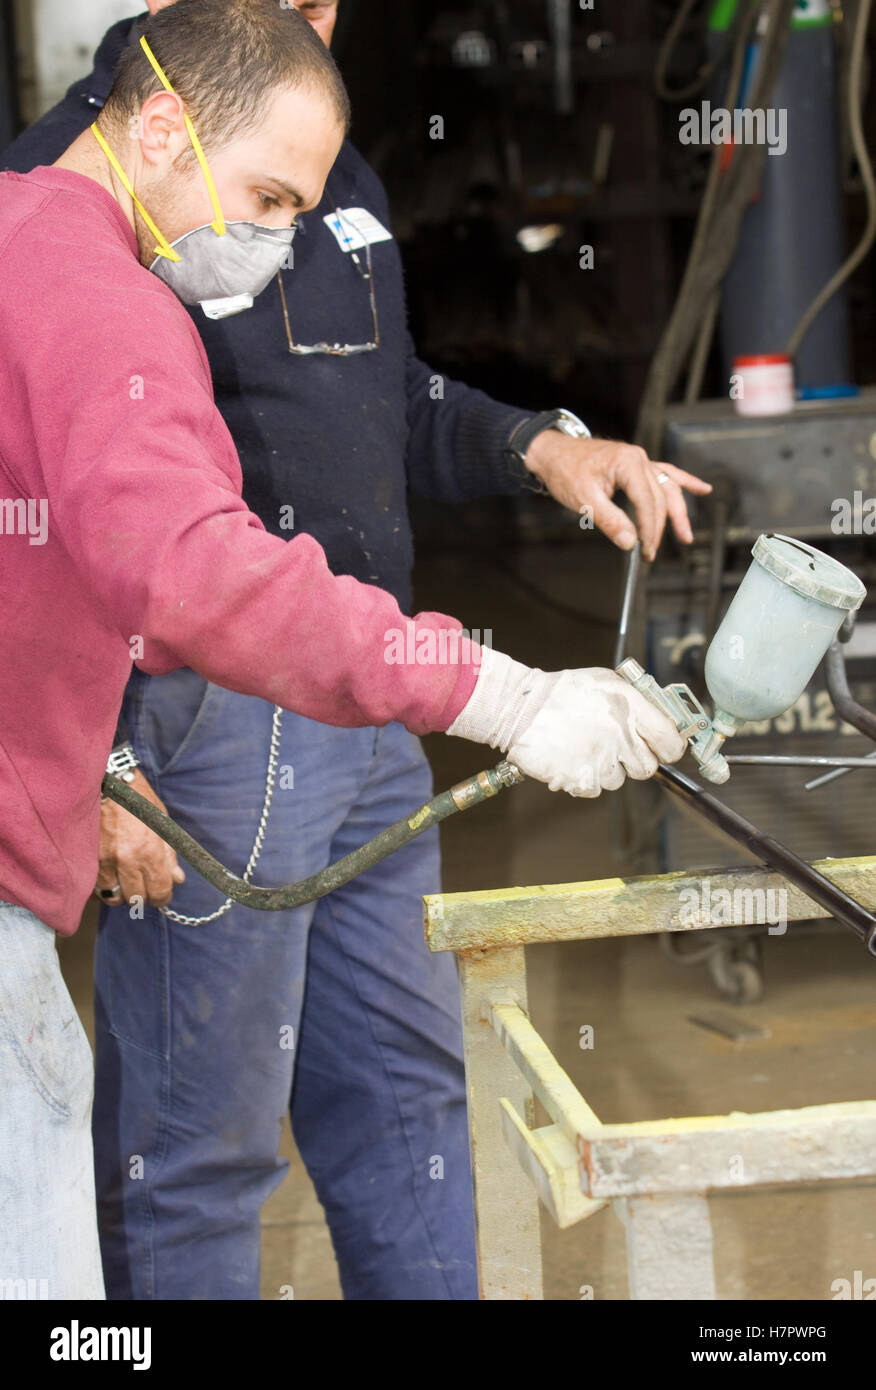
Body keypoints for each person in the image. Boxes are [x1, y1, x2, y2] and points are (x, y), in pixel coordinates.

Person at [0, 0, 699, 1301]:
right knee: (191, 1156)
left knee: (398, 1092)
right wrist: (498, 689)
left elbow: (375, 402)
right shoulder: (87, 272)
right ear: (163, 111)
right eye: (266, 199)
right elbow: (175, 561)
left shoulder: (259, 174)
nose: (281, 234)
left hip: (363, 692)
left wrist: (530, 441)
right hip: (230, 709)